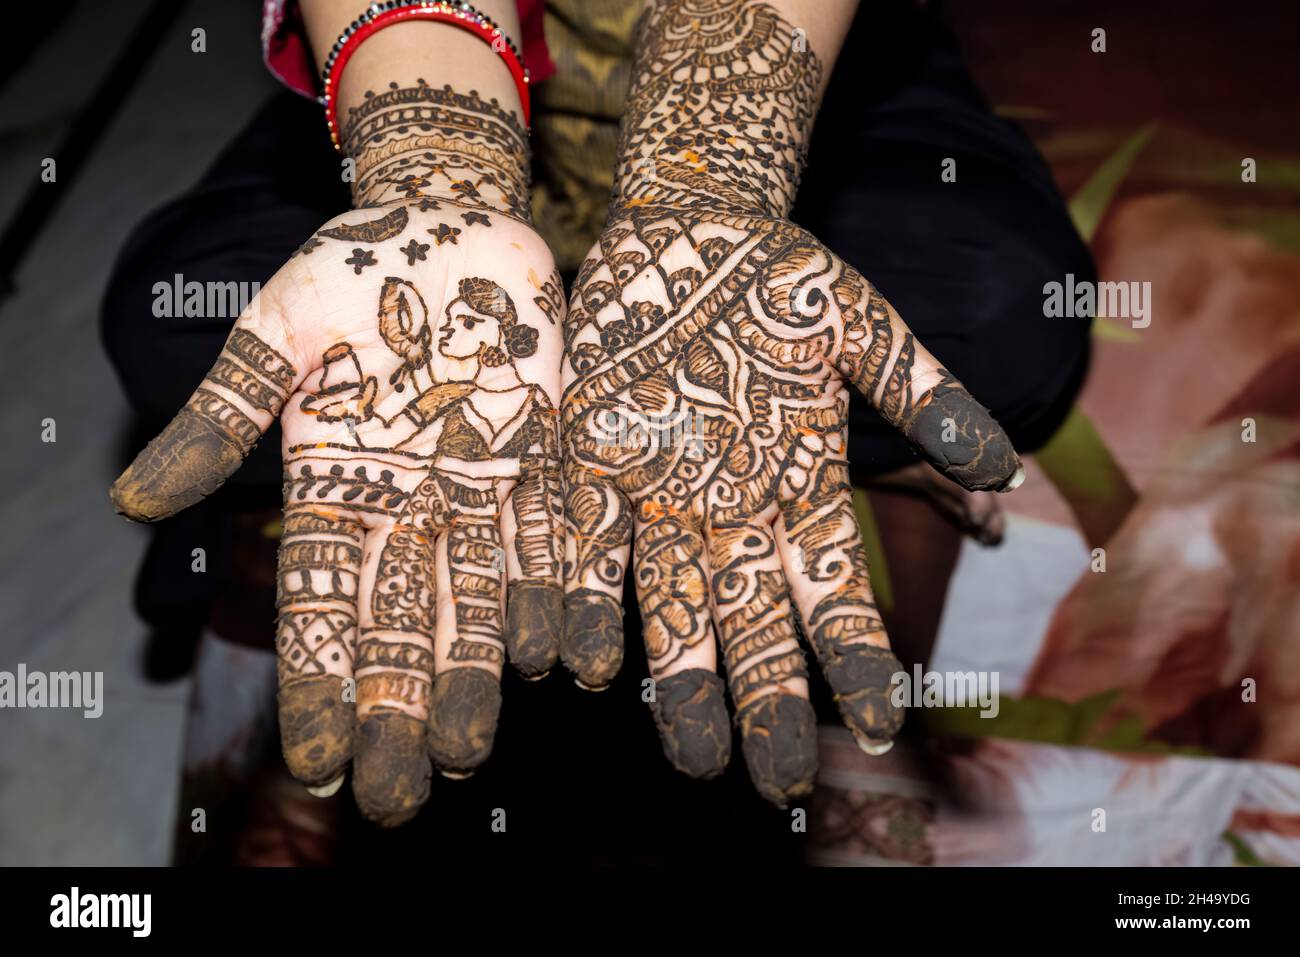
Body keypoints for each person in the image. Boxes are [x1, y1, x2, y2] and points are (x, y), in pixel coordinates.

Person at [103, 0, 1093, 863]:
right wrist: (432, 189)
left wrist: (704, 189)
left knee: (1008, 319)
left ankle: (587, 382)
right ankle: (631, 393)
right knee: (174, 324)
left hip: (798, 86)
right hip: (444, 57)